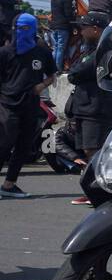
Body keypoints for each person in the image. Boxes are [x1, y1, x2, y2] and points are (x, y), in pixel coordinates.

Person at [0, 13, 58, 199]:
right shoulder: (5, 53)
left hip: (31, 105)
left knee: (24, 145)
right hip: (7, 105)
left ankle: (9, 185)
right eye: (19, 28)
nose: (22, 32)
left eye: (26, 28)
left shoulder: (42, 51)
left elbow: (52, 75)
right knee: (4, 143)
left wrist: (41, 86)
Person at [65, 11, 112, 204]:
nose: (80, 31)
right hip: (84, 106)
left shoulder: (102, 51)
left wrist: (75, 71)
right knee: (87, 149)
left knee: (93, 149)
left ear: (96, 29)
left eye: (84, 27)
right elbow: (74, 71)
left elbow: (76, 72)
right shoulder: (88, 49)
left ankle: (103, 192)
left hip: (96, 107)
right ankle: (93, 190)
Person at [49, 0, 78, 70]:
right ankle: (58, 68)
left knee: (56, 47)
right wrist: (74, 24)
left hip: (54, 26)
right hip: (63, 27)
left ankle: (52, 67)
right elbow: (68, 14)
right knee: (61, 48)